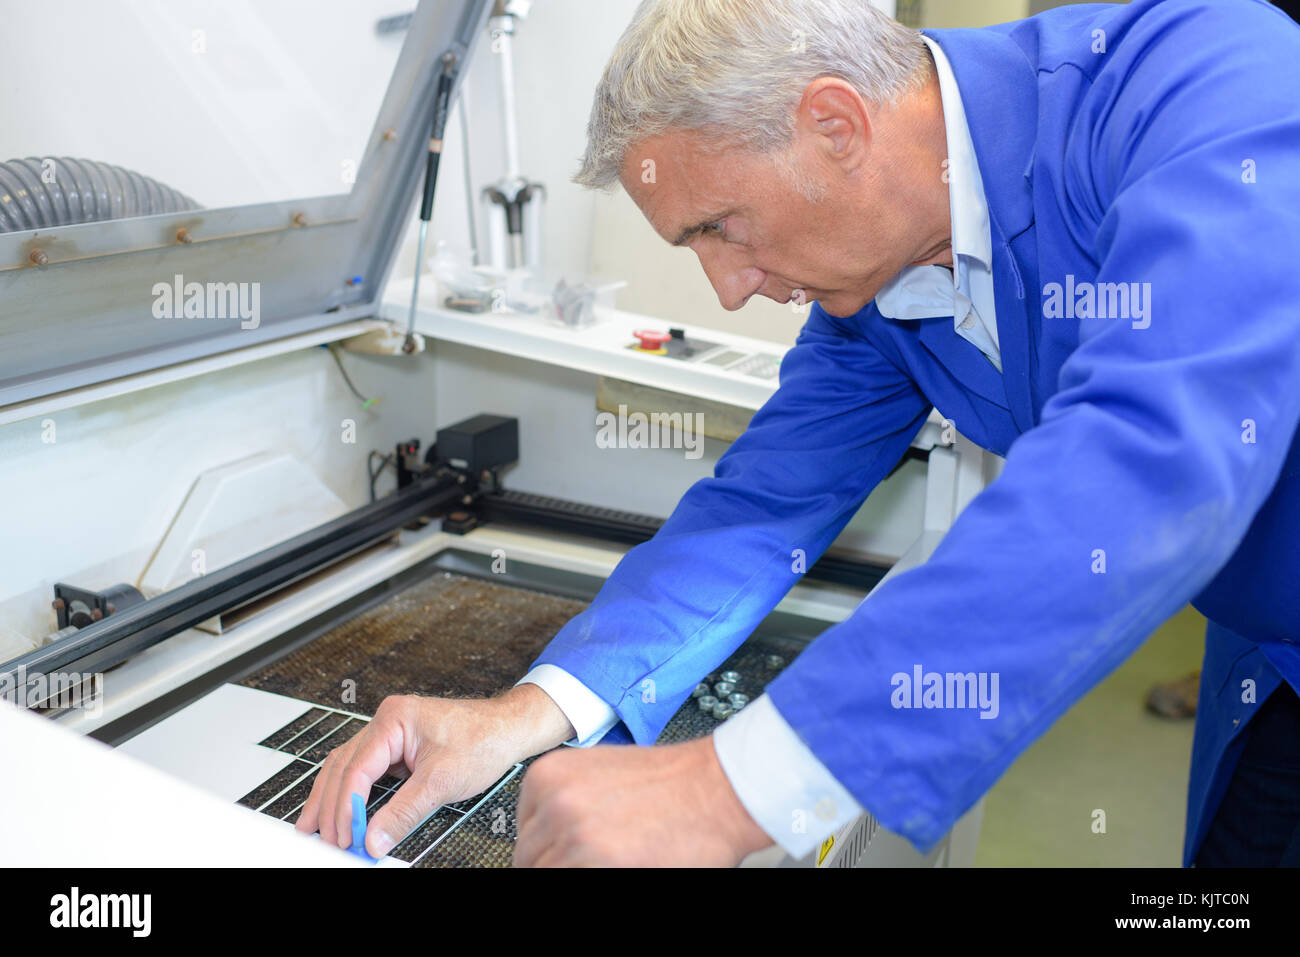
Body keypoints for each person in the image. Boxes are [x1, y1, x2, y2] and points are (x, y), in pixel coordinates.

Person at [297, 0, 1300, 867]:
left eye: (718, 227)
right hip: (1262, 662)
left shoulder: (1207, 83)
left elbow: (1147, 457)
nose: (729, 287)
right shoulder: (879, 285)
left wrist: (726, 789)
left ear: (835, 123)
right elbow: (761, 505)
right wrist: (538, 708)